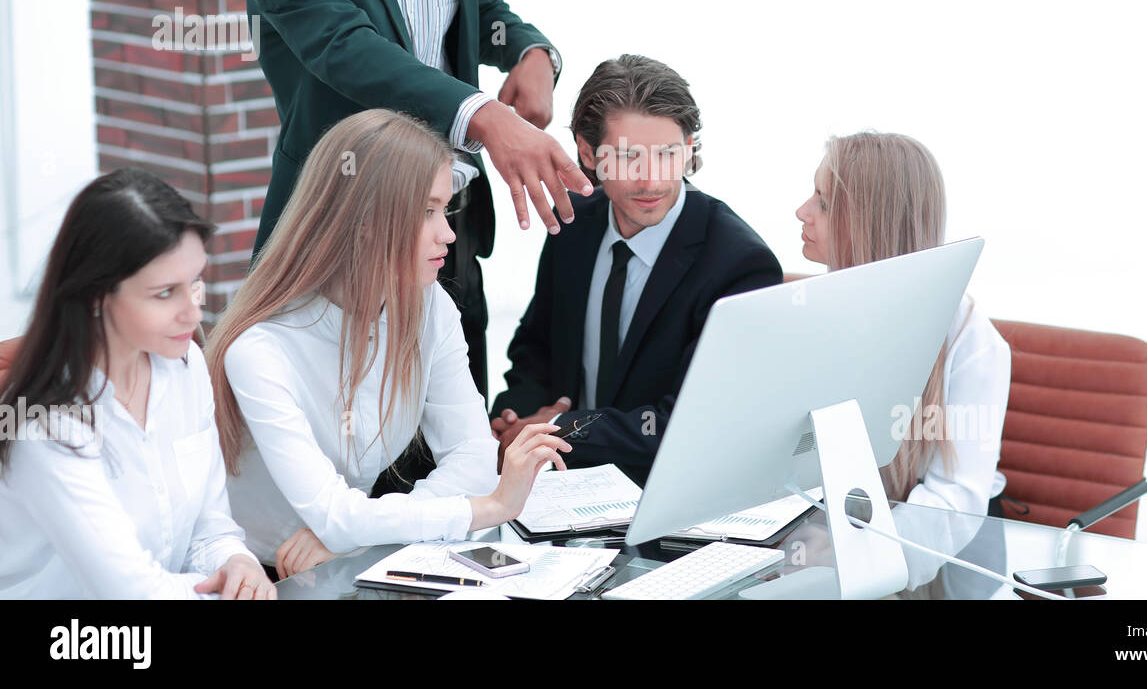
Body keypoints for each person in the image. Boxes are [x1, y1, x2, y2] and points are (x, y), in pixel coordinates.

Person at [243, 0, 591, 406]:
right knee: (361, 464)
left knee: (461, 458)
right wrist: (486, 116)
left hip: (451, 230)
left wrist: (533, 53)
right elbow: (348, 50)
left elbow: (479, 7)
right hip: (346, 238)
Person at [206, 109, 570, 579]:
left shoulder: (430, 305)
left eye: (445, 208)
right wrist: (492, 506)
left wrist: (357, 536)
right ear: (364, 222)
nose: (449, 234)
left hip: (344, 562)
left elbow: (474, 459)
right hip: (254, 578)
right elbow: (335, 514)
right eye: (426, 212)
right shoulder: (260, 350)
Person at [490, 56, 783, 485]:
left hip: (670, 507)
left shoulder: (739, 264)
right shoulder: (573, 224)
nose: (651, 182)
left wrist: (550, 432)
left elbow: (691, 423)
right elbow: (536, 349)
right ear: (587, 153)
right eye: (628, 158)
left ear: (689, 147)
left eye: (668, 156)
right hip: (557, 494)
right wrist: (516, 414)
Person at [0, 169, 273, 599]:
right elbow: (132, 591)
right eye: (165, 293)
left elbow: (209, 529)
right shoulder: (47, 424)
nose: (193, 313)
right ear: (96, 296)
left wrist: (236, 562)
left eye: (195, 284)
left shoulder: (187, 369)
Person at [794, 132, 1011, 518]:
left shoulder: (969, 339)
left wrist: (847, 555)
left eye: (824, 204)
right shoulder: (806, 311)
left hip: (924, 553)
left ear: (869, 222)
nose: (801, 211)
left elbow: (955, 502)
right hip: (821, 528)